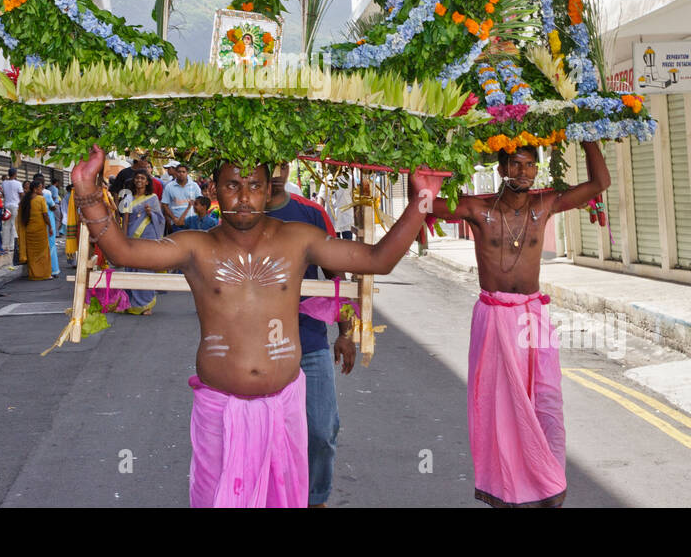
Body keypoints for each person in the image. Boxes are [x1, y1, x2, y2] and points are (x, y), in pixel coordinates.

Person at [70, 144, 440, 507]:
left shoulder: (298, 239)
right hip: (218, 411)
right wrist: (86, 188)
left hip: (285, 408)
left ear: (269, 189)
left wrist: (422, 199)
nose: (244, 197)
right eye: (232, 185)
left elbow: (378, 260)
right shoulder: (193, 246)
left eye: (254, 186)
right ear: (213, 190)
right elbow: (123, 252)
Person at [437, 141, 610, 507]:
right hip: (494, 316)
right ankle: (504, 488)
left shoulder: (544, 205)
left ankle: (547, 483)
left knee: (545, 399)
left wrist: (588, 135)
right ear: (500, 169)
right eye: (516, 165)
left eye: (531, 166)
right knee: (499, 405)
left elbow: (599, 184)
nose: (524, 173)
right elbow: (424, 205)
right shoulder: (477, 209)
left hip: (534, 317)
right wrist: (431, 152)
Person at [266, 161, 356, 508]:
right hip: (255, 346)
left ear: (288, 168)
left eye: (280, 164)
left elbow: (337, 276)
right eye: (266, 165)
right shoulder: (242, 212)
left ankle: (314, 499)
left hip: (310, 340)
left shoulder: (311, 213)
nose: (275, 173)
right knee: (264, 435)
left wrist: (345, 332)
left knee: (321, 431)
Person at [115, 169, 166, 315]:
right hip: (131, 236)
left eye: (143, 178)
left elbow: (160, 219)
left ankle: (146, 304)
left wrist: (151, 213)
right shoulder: (127, 197)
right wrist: (123, 237)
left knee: (145, 269)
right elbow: (124, 219)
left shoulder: (153, 198)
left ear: (147, 181)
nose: (139, 181)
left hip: (148, 236)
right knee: (131, 269)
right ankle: (130, 302)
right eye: (137, 178)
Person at [18, 176, 52, 281]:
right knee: (43, 254)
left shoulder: (24, 201)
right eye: (41, 188)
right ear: (35, 189)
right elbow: (45, 215)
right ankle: (44, 274)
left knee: (32, 254)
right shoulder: (41, 199)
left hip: (29, 230)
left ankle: (33, 275)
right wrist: (50, 226)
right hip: (40, 230)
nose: (42, 190)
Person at [162, 163, 202, 232]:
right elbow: (165, 205)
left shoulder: (194, 186)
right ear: (176, 173)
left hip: (192, 223)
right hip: (176, 224)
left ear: (187, 173)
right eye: (179, 172)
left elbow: (200, 202)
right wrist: (173, 218)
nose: (181, 174)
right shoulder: (169, 187)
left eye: (183, 172)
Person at [0, 167, 24, 259]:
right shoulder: (18, 183)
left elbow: (3, 193)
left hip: (6, 206)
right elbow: (21, 194)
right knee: (14, 225)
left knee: (6, 225)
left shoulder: (4, 183)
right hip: (15, 206)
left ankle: (4, 245)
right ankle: (12, 246)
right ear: (15, 174)